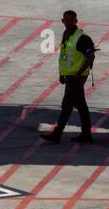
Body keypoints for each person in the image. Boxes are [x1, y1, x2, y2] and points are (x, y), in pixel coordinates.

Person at [41, 10, 96, 144]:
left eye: (71, 20)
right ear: (63, 21)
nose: (69, 22)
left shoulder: (82, 38)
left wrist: (79, 73)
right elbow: (64, 56)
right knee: (80, 105)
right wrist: (61, 74)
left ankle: (58, 133)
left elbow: (91, 57)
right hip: (70, 76)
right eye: (66, 20)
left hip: (77, 77)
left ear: (76, 21)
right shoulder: (66, 34)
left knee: (67, 105)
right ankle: (86, 134)